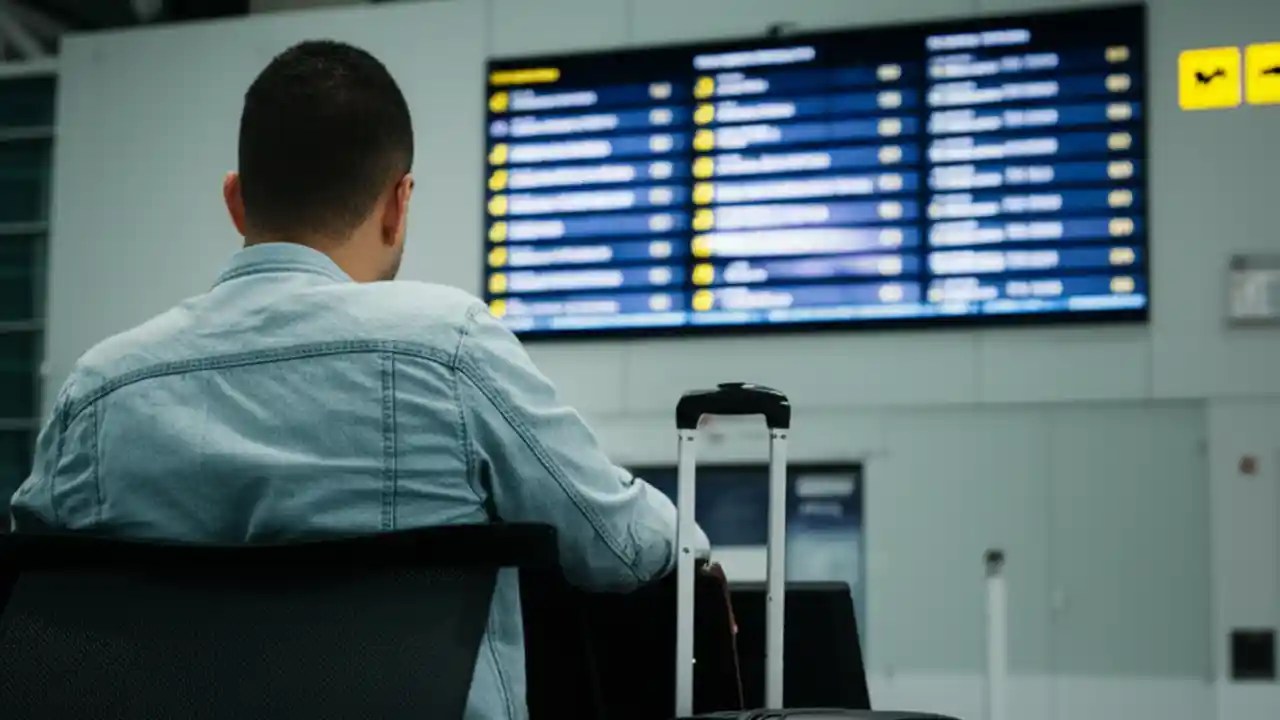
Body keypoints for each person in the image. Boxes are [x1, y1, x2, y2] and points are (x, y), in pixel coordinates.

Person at [9, 40, 706, 720]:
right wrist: (691, 541)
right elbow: (621, 548)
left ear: (236, 200)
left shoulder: (98, 390)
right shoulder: (451, 348)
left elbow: (37, 605)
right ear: (398, 202)